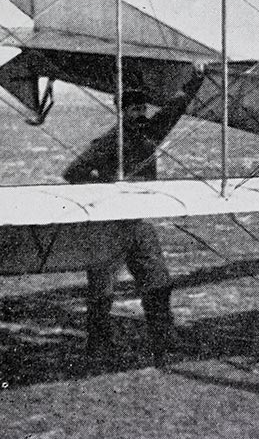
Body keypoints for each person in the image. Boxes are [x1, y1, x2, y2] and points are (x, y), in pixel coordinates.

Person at [63, 83, 194, 367]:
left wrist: (193, 81)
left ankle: (164, 337)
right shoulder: (110, 141)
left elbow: (174, 110)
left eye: (143, 109)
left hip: (138, 222)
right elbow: (73, 172)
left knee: (158, 282)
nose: (141, 114)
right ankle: (98, 342)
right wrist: (109, 189)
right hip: (109, 225)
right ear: (122, 112)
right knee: (103, 289)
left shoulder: (150, 133)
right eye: (134, 109)